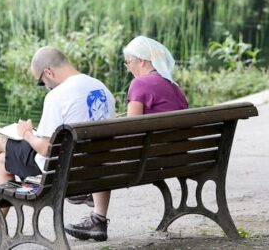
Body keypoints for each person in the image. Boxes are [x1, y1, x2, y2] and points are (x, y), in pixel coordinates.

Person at [0, 47, 116, 250]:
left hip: (61, 175)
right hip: (95, 172)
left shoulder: (57, 96)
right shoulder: (103, 89)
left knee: (1, 143)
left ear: (49, 72)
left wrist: (26, 133)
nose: (44, 86)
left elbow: (45, 149)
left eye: (41, 81)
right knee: (2, 161)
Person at [64, 36, 188, 242]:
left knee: (97, 151)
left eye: (129, 62)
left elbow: (131, 130)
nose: (128, 68)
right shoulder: (173, 86)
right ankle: (91, 195)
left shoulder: (140, 83)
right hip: (177, 158)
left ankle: (95, 212)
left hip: (145, 162)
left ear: (142, 61)